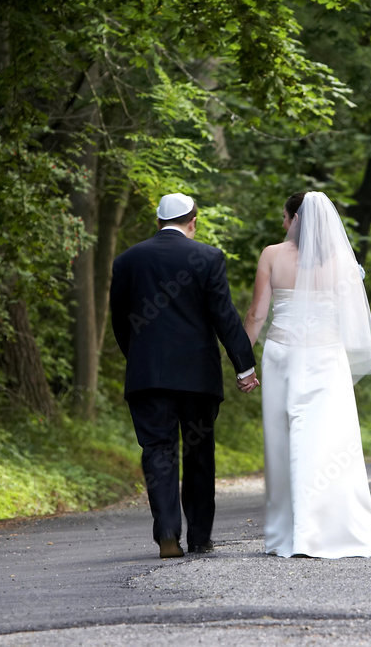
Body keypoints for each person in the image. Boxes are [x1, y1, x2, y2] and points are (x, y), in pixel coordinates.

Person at [110, 193, 260, 559]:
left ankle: (166, 532)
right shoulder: (207, 257)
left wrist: (139, 360)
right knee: (198, 453)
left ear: (158, 222)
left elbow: (120, 320)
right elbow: (223, 314)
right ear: (193, 220)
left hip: (148, 377)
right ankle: (200, 538)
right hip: (198, 378)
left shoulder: (128, 260)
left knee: (157, 451)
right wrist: (245, 366)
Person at [244, 191, 371, 558]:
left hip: (282, 356)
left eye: (285, 218)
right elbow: (351, 319)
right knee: (329, 442)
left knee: (284, 440)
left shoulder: (272, 255)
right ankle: (325, 529)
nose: (282, 224)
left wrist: (241, 360)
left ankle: (288, 532)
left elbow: (257, 316)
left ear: (295, 219)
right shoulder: (342, 262)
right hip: (326, 357)